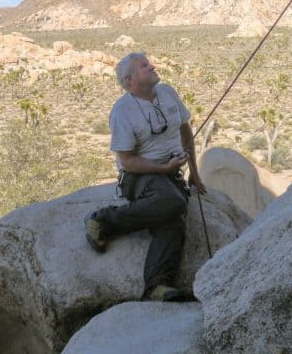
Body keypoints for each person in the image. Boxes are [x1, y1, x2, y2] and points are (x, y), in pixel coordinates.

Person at [85, 52, 207, 302]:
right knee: (173, 203)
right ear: (129, 80)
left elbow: (185, 130)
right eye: (144, 66)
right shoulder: (123, 111)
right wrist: (163, 168)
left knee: (172, 215)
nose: (152, 66)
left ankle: (157, 286)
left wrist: (193, 172)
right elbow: (127, 161)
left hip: (170, 174)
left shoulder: (168, 92)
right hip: (137, 176)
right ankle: (103, 220)